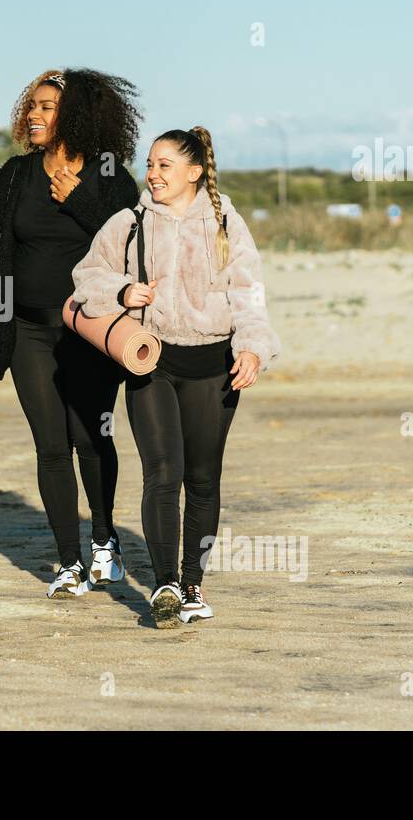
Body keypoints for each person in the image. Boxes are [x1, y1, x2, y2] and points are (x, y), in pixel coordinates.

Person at [71, 126, 281, 627]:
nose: (152, 174)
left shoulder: (228, 223)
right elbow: (86, 276)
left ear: (194, 172)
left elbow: (248, 293)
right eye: (150, 164)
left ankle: (192, 584)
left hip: (215, 366)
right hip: (153, 361)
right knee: (163, 473)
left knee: (203, 480)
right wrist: (123, 292)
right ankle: (164, 584)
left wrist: (252, 348)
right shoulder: (129, 222)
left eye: (165, 165)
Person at [0, 68, 141, 599]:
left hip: (91, 330)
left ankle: (105, 541)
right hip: (27, 328)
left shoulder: (108, 172)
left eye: (48, 106)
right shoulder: (14, 175)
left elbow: (129, 240)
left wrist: (79, 197)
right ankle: (68, 562)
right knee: (50, 445)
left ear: (76, 115)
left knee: (90, 436)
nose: (34, 114)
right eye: (31, 104)